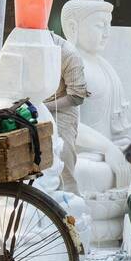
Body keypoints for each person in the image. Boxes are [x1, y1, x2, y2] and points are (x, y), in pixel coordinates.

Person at [44, 29, 88, 197]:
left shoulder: (69, 54)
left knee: (64, 165)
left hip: (62, 108)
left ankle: (71, 210)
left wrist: (44, 107)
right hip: (30, 106)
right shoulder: (26, 48)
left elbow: (77, 97)